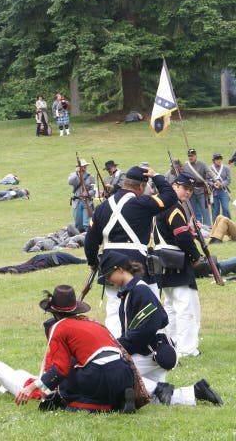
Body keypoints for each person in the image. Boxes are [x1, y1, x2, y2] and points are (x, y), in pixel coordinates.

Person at [99, 252, 222, 406]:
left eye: (109, 275)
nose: (108, 280)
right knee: (151, 399)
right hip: (147, 350)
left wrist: (119, 347)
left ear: (120, 269)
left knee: (110, 370)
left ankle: (158, 388)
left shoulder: (139, 290)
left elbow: (146, 330)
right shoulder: (131, 291)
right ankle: (195, 392)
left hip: (152, 352)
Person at [84, 165, 177, 337]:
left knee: (114, 309)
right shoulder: (142, 203)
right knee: (150, 306)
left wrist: (93, 263)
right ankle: (157, 344)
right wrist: (156, 176)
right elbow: (170, 196)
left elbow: (90, 241)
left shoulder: (102, 207)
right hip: (136, 261)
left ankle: (115, 346)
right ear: (141, 186)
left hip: (110, 263)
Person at [14, 284, 136, 413]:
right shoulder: (94, 323)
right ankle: (120, 401)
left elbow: (60, 369)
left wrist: (30, 388)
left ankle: (86, 404)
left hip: (99, 375)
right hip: (124, 374)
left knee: (70, 373)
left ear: (53, 312)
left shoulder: (59, 327)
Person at [152, 172, 204, 357]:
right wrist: (195, 256)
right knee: (186, 306)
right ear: (174, 186)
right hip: (176, 259)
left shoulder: (161, 206)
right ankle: (187, 349)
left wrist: (190, 231)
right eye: (185, 188)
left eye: (190, 189)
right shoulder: (174, 207)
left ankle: (172, 343)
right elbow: (181, 236)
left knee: (171, 306)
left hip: (162, 259)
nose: (188, 192)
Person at [182, 149, 211, 226]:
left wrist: (215, 180)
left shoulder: (202, 164)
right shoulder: (185, 165)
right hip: (191, 191)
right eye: (189, 156)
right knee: (192, 211)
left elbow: (210, 173)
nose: (190, 157)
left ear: (195, 156)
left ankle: (207, 227)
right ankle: (195, 227)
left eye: (192, 156)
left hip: (202, 191)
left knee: (205, 211)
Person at [68, 159, 95, 232]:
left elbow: (94, 190)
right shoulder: (73, 175)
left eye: (85, 166)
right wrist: (76, 173)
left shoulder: (90, 177)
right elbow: (70, 182)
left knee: (87, 223)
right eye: (82, 166)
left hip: (87, 201)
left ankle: (88, 235)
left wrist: (88, 193)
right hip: (77, 202)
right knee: (78, 223)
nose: (84, 168)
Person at [208, 152, 231, 219]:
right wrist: (213, 184)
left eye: (220, 159)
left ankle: (227, 224)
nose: (219, 160)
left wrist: (222, 184)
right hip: (214, 192)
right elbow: (207, 179)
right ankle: (216, 224)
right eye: (217, 159)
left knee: (226, 209)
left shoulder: (226, 168)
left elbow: (228, 179)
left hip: (224, 191)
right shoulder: (209, 169)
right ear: (213, 160)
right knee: (215, 211)